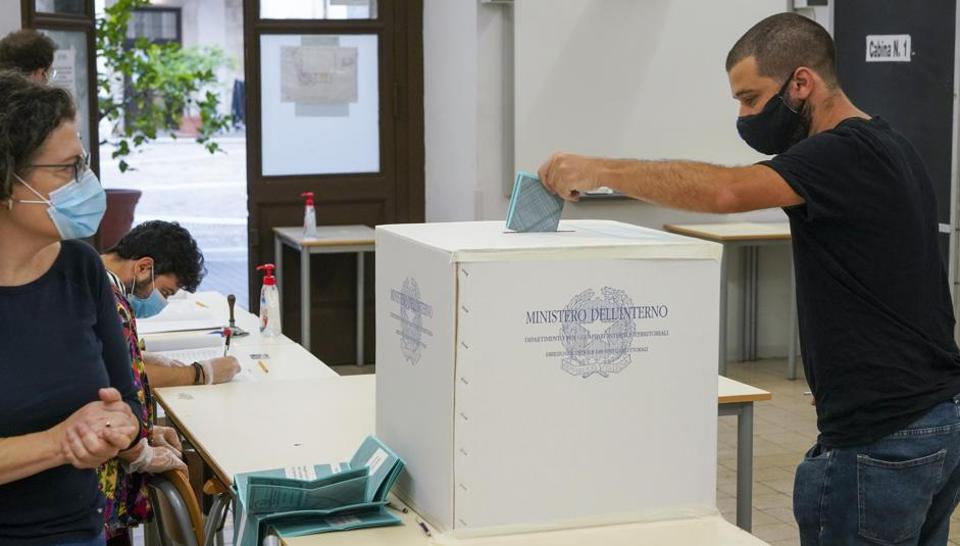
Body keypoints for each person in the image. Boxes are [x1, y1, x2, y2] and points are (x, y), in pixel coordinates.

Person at [537, 13, 960, 545]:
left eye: (751, 98)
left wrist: (601, 171)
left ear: (801, 83)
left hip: (883, 438)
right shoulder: (890, 144)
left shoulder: (839, 152)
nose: (744, 115)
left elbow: (726, 192)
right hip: (932, 416)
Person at [0, 72, 143, 545]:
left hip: (77, 531)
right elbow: (67, 436)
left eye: (84, 165)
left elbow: (127, 401)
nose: (85, 184)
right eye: (67, 169)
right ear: (8, 182)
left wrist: (119, 426)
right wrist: (61, 442)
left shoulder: (81, 269)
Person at [100, 220, 241, 387]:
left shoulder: (90, 271)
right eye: (165, 292)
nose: (162, 301)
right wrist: (202, 373)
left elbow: (104, 355)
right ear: (143, 268)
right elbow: (124, 376)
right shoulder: (106, 298)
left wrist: (138, 356)